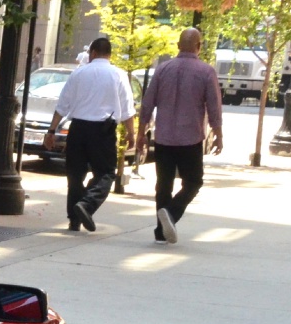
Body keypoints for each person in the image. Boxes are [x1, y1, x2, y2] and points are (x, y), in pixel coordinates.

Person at [136, 27, 223, 243]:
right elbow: (214, 107)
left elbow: (147, 103)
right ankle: (172, 214)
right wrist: (218, 133)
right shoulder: (206, 72)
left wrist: (140, 132)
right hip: (190, 137)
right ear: (199, 46)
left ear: (177, 46)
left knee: (163, 184)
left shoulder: (163, 69)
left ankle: (160, 231)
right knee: (193, 182)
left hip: (164, 136)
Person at [47, 35, 135, 232]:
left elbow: (62, 104)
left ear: (93, 53)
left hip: (78, 128)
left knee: (75, 175)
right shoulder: (118, 74)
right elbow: (128, 108)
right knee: (105, 173)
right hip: (103, 130)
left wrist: (52, 130)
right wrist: (131, 133)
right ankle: (86, 204)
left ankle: (74, 219)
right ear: (109, 54)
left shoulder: (79, 74)